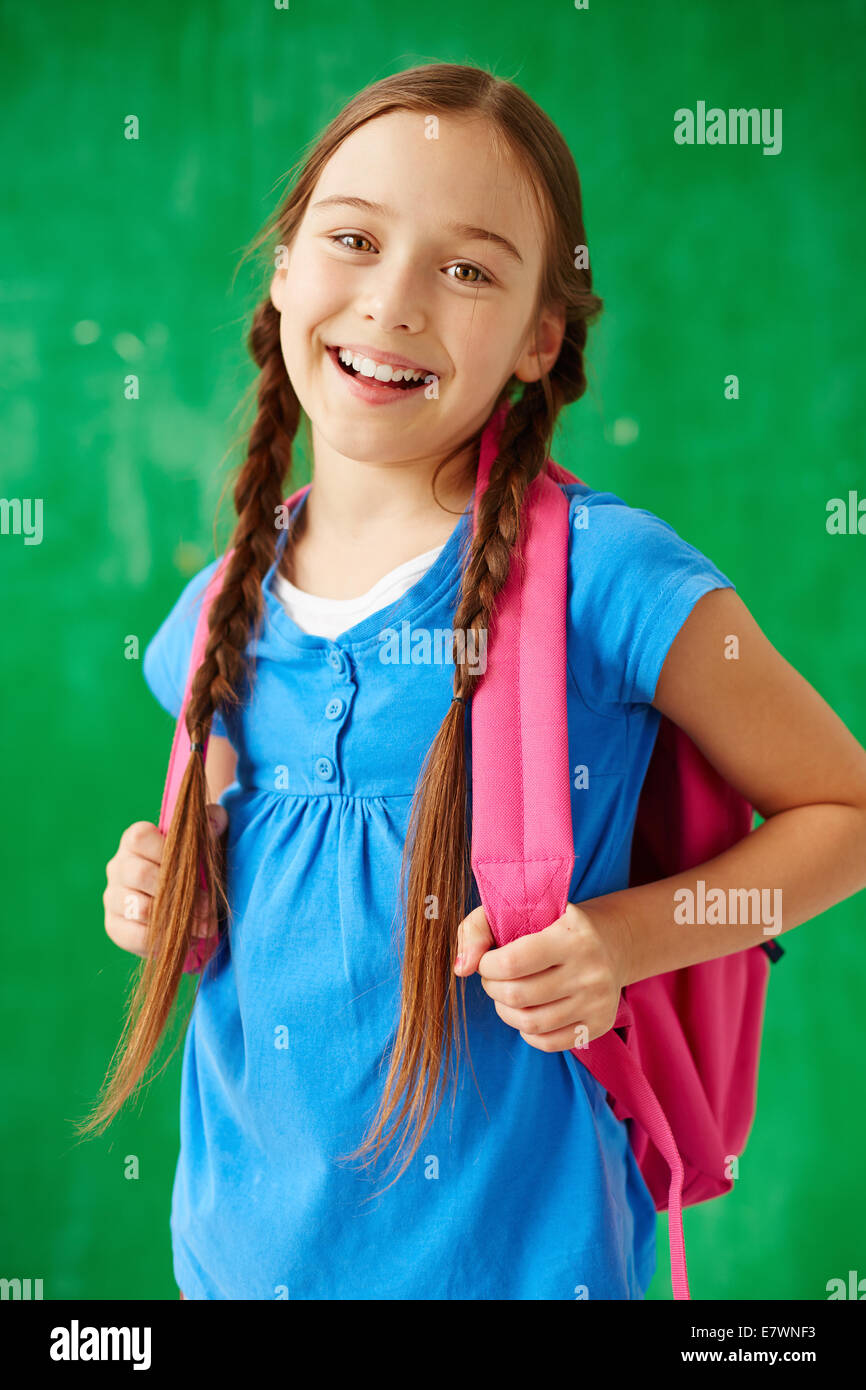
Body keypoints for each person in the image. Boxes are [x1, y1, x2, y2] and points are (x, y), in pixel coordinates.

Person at [84, 62, 866, 1300]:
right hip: (233, 1267)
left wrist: (618, 940)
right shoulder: (210, 617)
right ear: (285, 268)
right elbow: (230, 870)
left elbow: (846, 811)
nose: (392, 302)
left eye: (467, 270)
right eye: (351, 240)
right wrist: (158, 886)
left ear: (537, 339)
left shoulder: (608, 581)